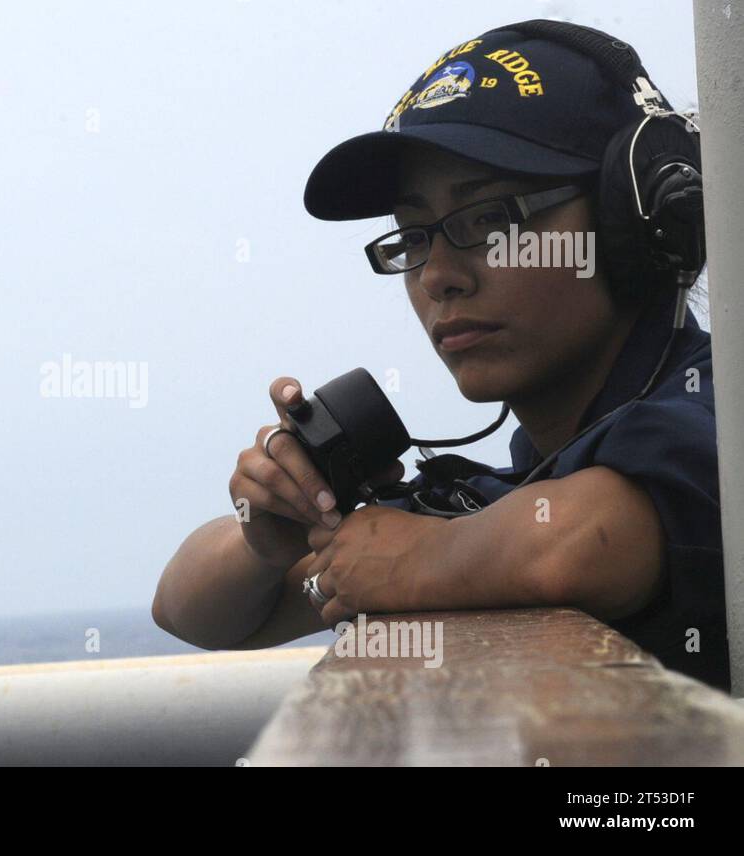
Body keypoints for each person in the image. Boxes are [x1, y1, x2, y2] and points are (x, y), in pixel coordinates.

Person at [151, 20, 729, 692]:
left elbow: (585, 541)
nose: (436, 276)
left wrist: (413, 558)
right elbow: (186, 608)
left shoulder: (718, 408)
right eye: (414, 235)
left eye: (489, 220)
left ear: (631, 219)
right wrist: (267, 534)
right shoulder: (509, 504)